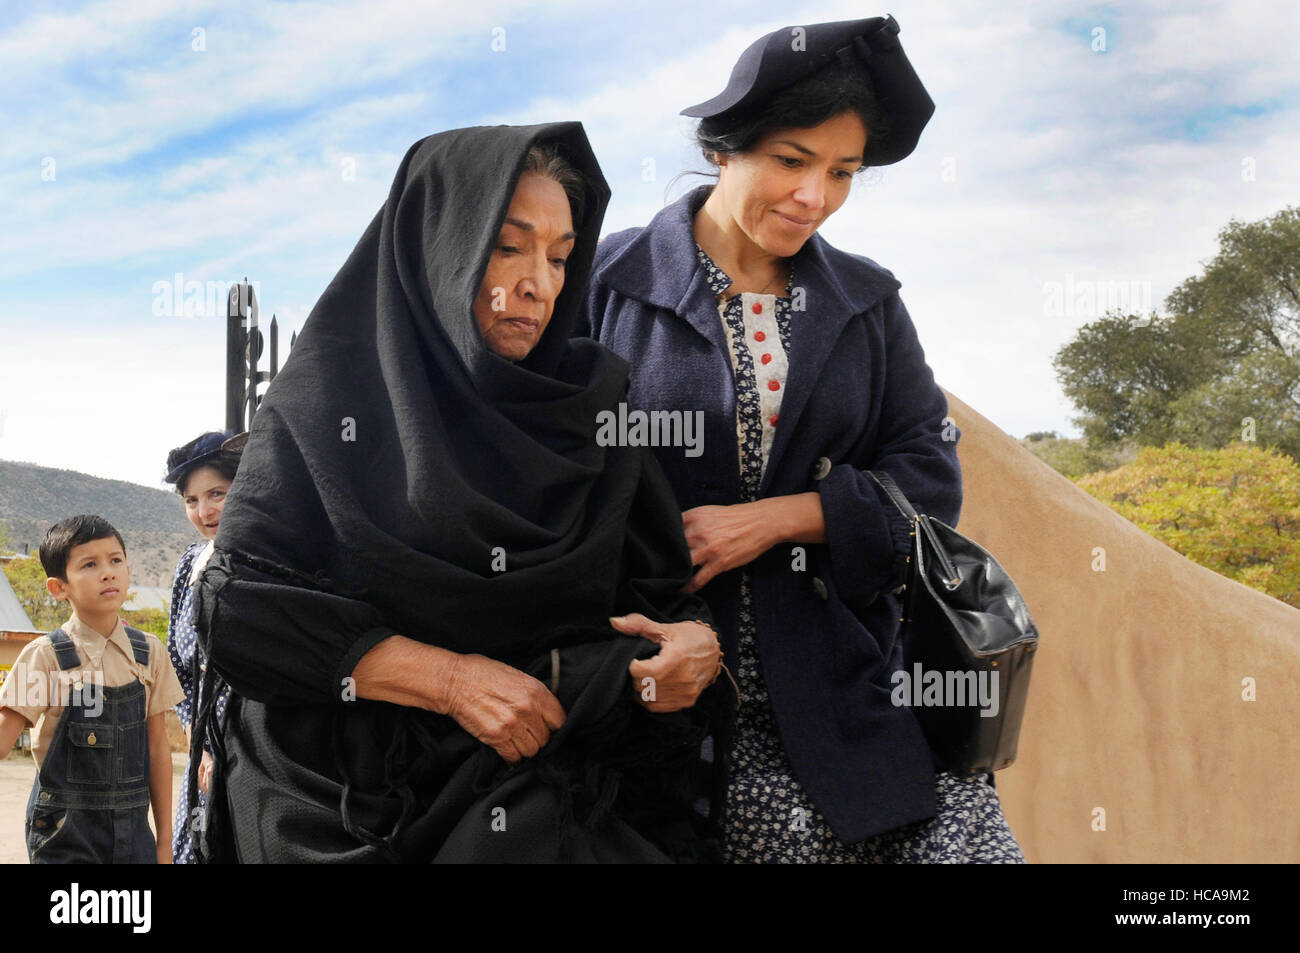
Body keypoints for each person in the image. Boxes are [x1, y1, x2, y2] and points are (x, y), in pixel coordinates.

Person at [191, 122, 730, 863]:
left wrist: (695, 645)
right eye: (508, 247)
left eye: (561, 256)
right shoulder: (327, 407)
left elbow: (666, 595)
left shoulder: (591, 414)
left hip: (545, 794)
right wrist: (450, 681)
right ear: (437, 246)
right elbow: (241, 608)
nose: (538, 283)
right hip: (345, 807)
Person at [578, 16, 1025, 862]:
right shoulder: (606, 287)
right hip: (680, 709)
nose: (814, 196)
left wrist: (782, 517)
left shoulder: (868, 301)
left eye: (842, 173)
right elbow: (549, 477)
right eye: (791, 160)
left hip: (861, 699)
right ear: (723, 147)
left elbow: (930, 478)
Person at [0, 515, 183, 863]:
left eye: (116, 560)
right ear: (59, 587)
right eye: (89, 564)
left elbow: (158, 749)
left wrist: (164, 840)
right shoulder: (45, 656)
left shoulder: (149, 653)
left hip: (134, 835)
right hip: (64, 833)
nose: (108, 572)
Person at [162, 430, 242, 863]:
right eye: (192, 500)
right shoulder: (190, 565)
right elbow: (178, 663)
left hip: (256, 745)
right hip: (203, 751)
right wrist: (199, 743)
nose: (204, 511)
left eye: (217, 494)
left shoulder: (270, 557)